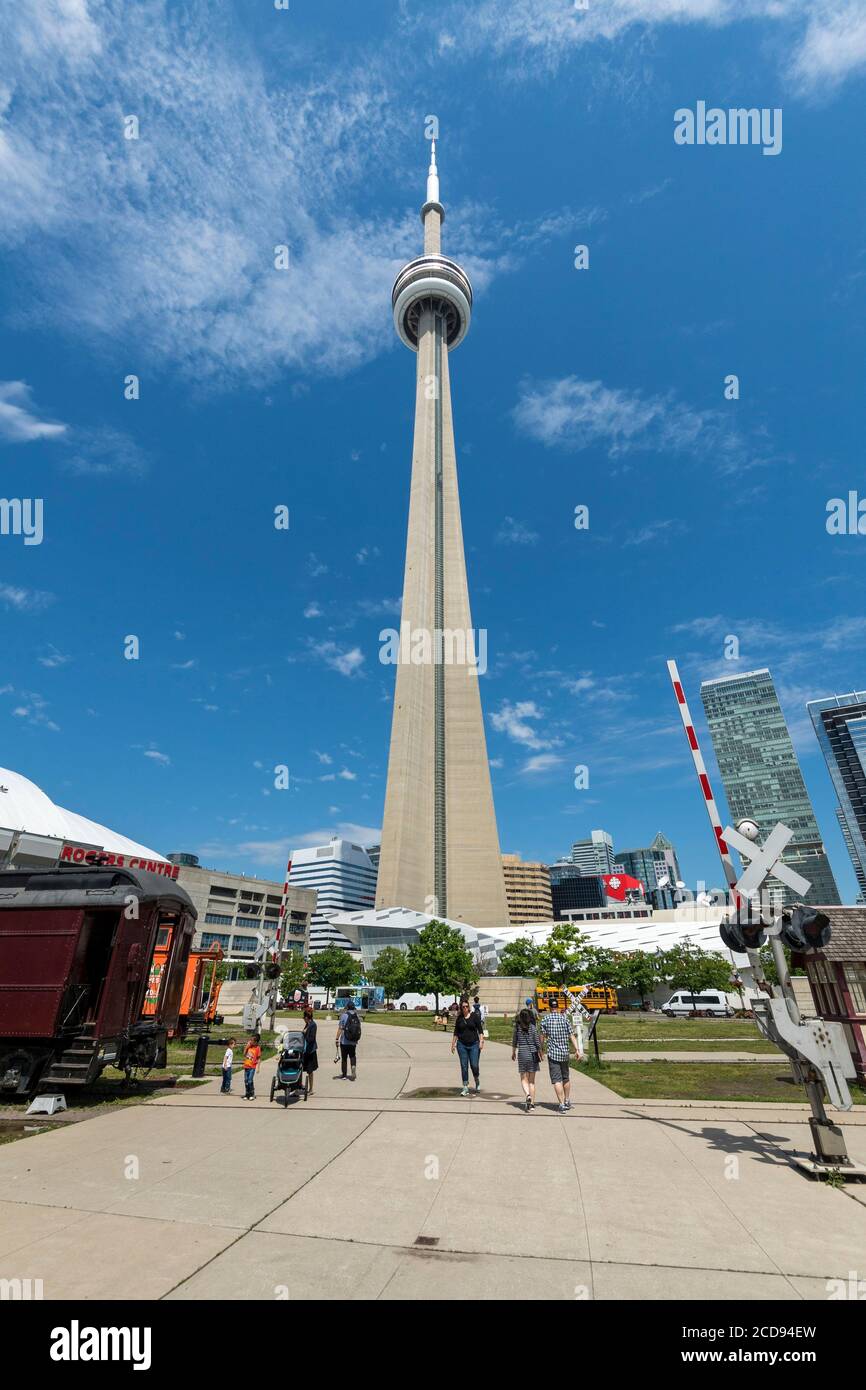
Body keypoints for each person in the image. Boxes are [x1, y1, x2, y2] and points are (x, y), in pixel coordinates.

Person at [539, 1005, 582, 1112]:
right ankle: (567, 1100)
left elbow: (542, 1036)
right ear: (557, 1007)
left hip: (553, 1054)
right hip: (565, 1054)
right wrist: (577, 1049)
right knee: (566, 1077)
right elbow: (571, 1035)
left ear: (549, 1008)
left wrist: (541, 1049)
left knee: (557, 1080)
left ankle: (562, 1104)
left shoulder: (545, 1020)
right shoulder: (565, 1019)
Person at [451, 998, 484, 1096]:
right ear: (461, 1008)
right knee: (464, 1066)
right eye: (463, 1007)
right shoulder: (459, 1019)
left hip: (474, 1044)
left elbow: (480, 1030)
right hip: (462, 1045)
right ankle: (465, 1086)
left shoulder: (474, 1017)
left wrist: (481, 1041)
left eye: (466, 1006)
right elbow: (456, 1032)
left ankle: (476, 1080)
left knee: (474, 1065)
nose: (465, 1008)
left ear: (469, 1007)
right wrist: (453, 1044)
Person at [511, 1008, 542, 1111]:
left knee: (524, 1079)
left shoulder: (517, 1028)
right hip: (533, 1054)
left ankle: (528, 1095)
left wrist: (513, 1052)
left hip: (522, 1054)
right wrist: (540, 1053)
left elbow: (514, 1041)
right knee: (532, 1081)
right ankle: (532, 1104)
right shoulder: (533, 1028)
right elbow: (537, 1042)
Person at [336, 999, 362, 1080]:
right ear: (353, 1007)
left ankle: (344, 1075)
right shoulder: (356, 1016)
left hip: (344, 1040)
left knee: (344, 1058)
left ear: (347, 1007)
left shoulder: (344, 1015)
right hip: (353, 1041)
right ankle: (353, 1067)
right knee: (352, 1055)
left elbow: (340, 1028)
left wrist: (337, 1038)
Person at [301, 1008, 318, 1095]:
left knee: (310, 1070)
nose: (303, 1019)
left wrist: (304, 1034)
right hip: (304, 1050)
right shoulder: (307, 1025)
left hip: (310, 1051)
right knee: (300, 1068)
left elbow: (311, 1038)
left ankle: (311, 1089)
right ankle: (299, 1085)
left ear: (307, 1017)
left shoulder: (313, 1025)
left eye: (303, 1017)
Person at [242, 1033, 261, 1100]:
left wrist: (258, 1068)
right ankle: (247, 1094)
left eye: (252, 1040)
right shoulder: (249, 1047)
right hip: (246, 1066)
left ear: (256, 1042)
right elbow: (244, 1054)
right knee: (246, 1080)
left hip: (252, 1067)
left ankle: (252, 1093)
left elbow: (258, 1058)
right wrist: (246, 1047)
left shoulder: (257, 1048)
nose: (250, 1041)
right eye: (250, 1040)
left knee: (250, 1081)